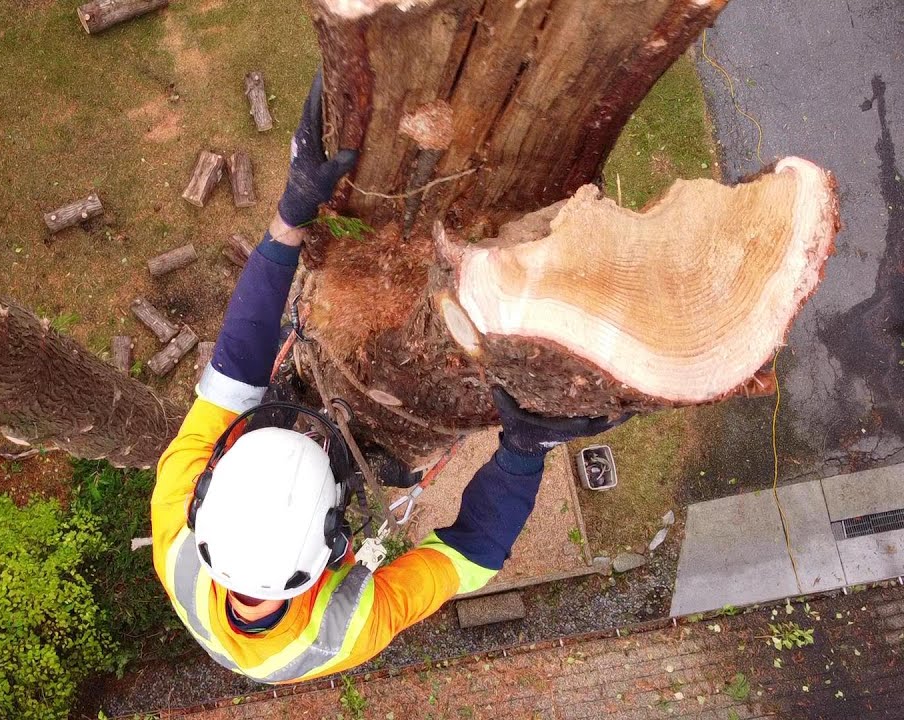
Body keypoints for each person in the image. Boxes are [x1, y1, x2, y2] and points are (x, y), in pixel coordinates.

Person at [150, 74, 627, 684]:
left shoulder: (178, 520)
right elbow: (469, 558)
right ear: (329, 542)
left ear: (211, 483)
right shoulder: (340, 630)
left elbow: (233, 368)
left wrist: (288, 219)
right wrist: (523, 455)